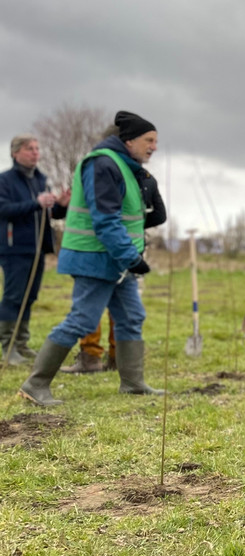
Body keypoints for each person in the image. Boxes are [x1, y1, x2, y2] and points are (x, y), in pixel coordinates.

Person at [18, 112, 163, 405]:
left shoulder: (126, 167)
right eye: (149, 140)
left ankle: (133, 383)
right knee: (83, 320)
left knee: (132, 317)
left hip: (117, 259)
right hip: (94, 257)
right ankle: (36, 385)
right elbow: (106, 221)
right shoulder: (103, 164)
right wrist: (131, 257)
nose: (154, 147)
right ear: (129, 140)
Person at [62, 169, 165, 374]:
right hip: (133, 249)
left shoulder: (98, 174)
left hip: (97, 249)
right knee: (124, 308)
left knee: (92, 304)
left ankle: (90, 356)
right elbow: (159, 215)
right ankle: (118, 357)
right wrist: (133, 224)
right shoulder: (146, 178)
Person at [0, 135, 69, 364]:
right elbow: (4, 209)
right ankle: (8, 348)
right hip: (14, 248)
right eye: (30, 148)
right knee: (13, 297)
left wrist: (60, 206)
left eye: (38, 148)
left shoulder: (42, 179)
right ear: (15, 153)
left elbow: (48, 214)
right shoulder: (5, 180)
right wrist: (35, 203)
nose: (35, 152)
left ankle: (21, 343)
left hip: (38, 248)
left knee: (29, 297)